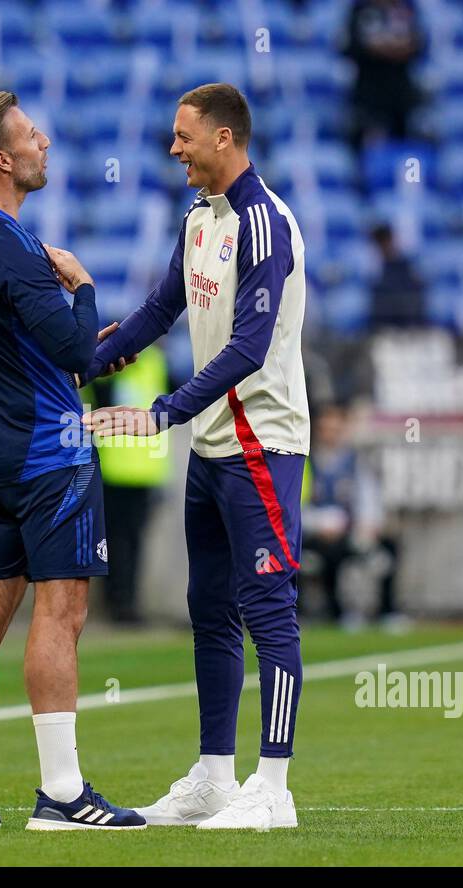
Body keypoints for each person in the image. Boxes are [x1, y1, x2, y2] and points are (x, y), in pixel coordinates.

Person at [79, 83, 310, 831]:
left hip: (261, 445)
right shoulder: (199, 217)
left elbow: (248, 348)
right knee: (209, 610)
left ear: (223, 138)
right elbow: (159, 309)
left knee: (268, 613)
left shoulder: (265, 224)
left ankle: (273, 789)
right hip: (212, 448)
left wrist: (161, 412)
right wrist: (82, 364)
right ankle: (214, 776)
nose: (173, 148)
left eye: (184, 136)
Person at [0, 91, 144, 831]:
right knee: (61, 612)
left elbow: (28, 355)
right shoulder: (11, 243)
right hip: (52, 454)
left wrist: (87, 351)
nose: (43, 140)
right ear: (1, 159)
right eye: (29, 134)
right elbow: (74, 348)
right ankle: (62, 793)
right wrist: (83, 288)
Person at [83, 344, 172, 625]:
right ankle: (119, 603)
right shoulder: (110, 365)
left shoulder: (155, 362)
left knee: (130, 540)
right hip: (113, 470)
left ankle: (126, 603)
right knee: (115, 540)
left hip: (142, 471)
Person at [302, 403, 406, 631]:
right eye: (326, 428)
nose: (331, 434)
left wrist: (367, 524)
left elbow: (368, 496)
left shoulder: (355, 461)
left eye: (336, 428)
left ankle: (388, 610)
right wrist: (318, 523)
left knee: (388, 545)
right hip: (317, 533)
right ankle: (337, 611)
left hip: (350, 530)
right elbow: (297, 503)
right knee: (329, 552)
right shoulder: (306, 461)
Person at [342, 0, 425, 155]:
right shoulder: (359, 10)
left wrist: (383, 46)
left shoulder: (407, 8)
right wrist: (389, 47)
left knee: (404, 148)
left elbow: (419, 45)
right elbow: (351, 48)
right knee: (372, 146)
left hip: (401, 96)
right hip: (369, 95)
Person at [366, 223, 427, 331]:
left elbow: (414, 290)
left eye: (385, 240)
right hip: (380, 322)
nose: (383, 245)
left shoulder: (404, 265)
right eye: (379, 241)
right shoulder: (370, 266)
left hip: (403, 321)